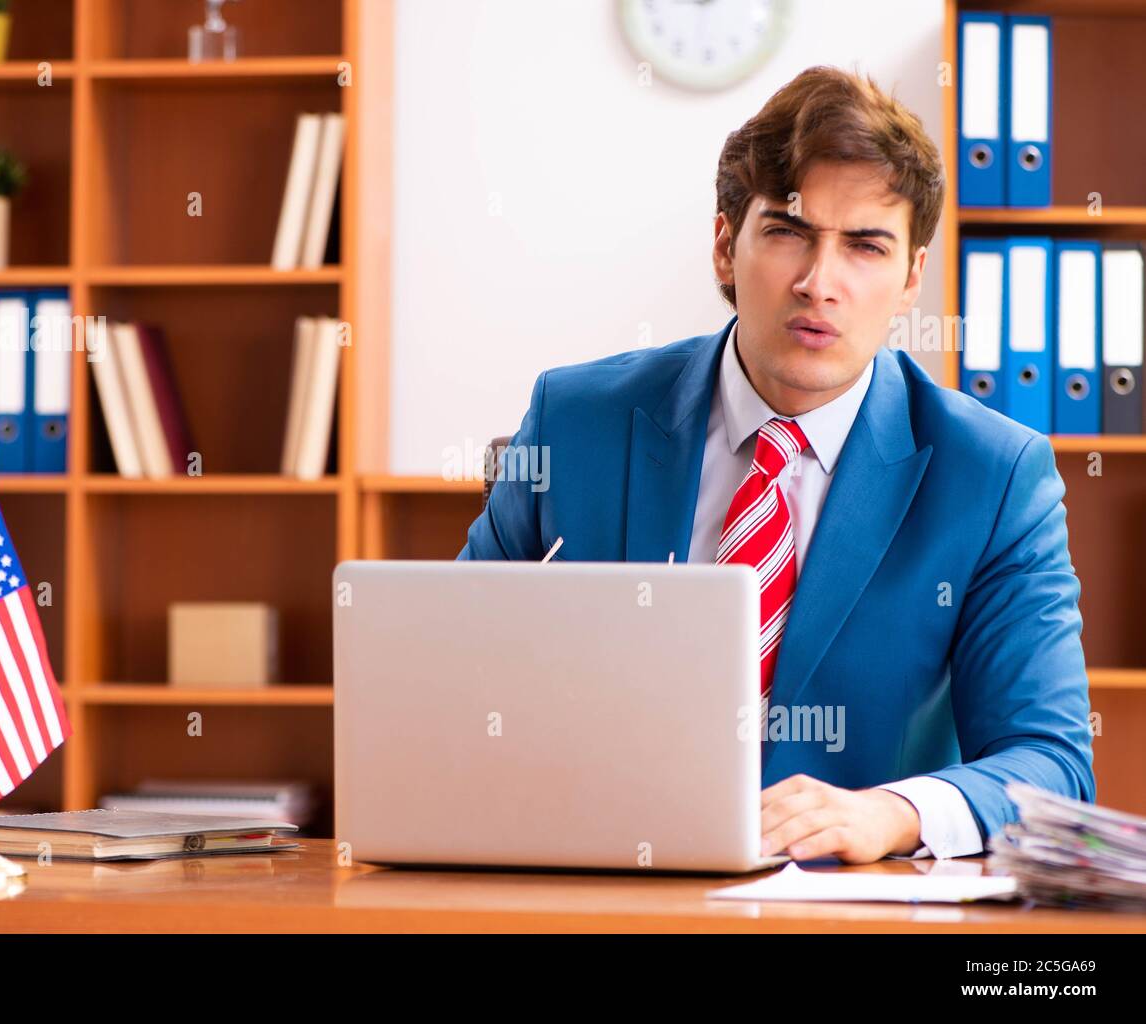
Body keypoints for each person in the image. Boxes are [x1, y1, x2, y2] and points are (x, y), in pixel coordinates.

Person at [456, 66, 1095, 864]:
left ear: (910, 280)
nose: (818, 283)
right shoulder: (574, 422)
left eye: (865, 246)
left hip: (853, 908)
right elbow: (454, 676)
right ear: (726, 246)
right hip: (597, 880)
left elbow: (1053, 764)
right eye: (788, 232)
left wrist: (891, 814)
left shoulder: (995, 475)